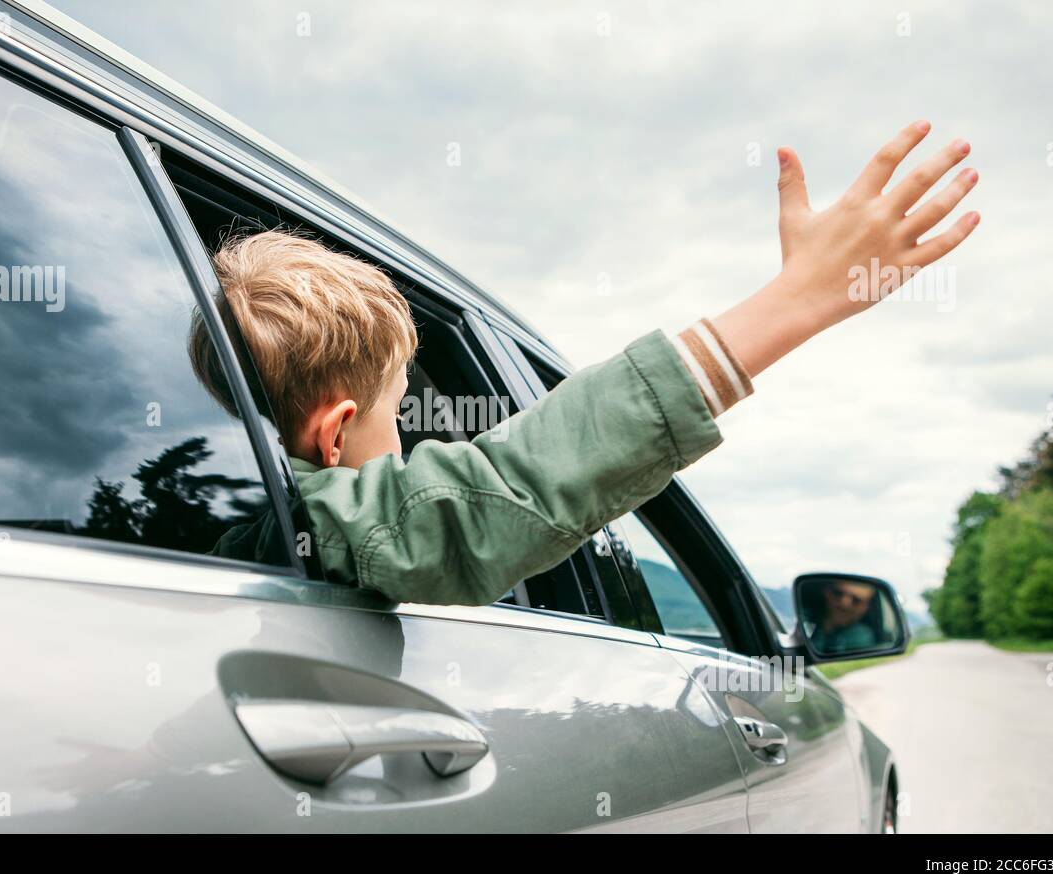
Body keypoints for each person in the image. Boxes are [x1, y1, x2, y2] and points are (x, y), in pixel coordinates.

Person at [192, 121, 979, 606]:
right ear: (334, 439)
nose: (411, 441)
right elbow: (519, 482)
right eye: (398, 411)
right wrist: (796, 300)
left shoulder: (228, 546)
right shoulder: (326, 531)